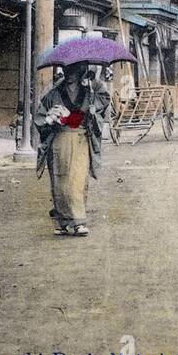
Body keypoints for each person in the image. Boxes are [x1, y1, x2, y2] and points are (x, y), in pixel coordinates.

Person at [35, 60, 111, 237]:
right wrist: (50, 116)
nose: (69, 73)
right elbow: (41, 114)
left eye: (73, 70)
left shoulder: (90, 89)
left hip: (80, 138)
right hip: (59, 138)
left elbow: (104, 98)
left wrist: (94, 85)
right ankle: (63, 222)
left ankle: (78, 222)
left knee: (76, 180)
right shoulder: (55, 92)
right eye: (66, 70)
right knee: (59, 181)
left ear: (81, 72)